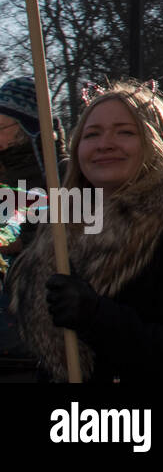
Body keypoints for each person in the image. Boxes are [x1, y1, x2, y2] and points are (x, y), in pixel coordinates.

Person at [8, 82, 163, 382]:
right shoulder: (58, 235)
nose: (105, 144)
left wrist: (96, 315)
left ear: (156, 144)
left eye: (125, 132)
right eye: (91, 134)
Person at [0, 77, 59, 376]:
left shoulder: (57, 173)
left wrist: (16, 243)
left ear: (26, 127)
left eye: (1, 124)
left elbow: (55, 235)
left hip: (35, 342)